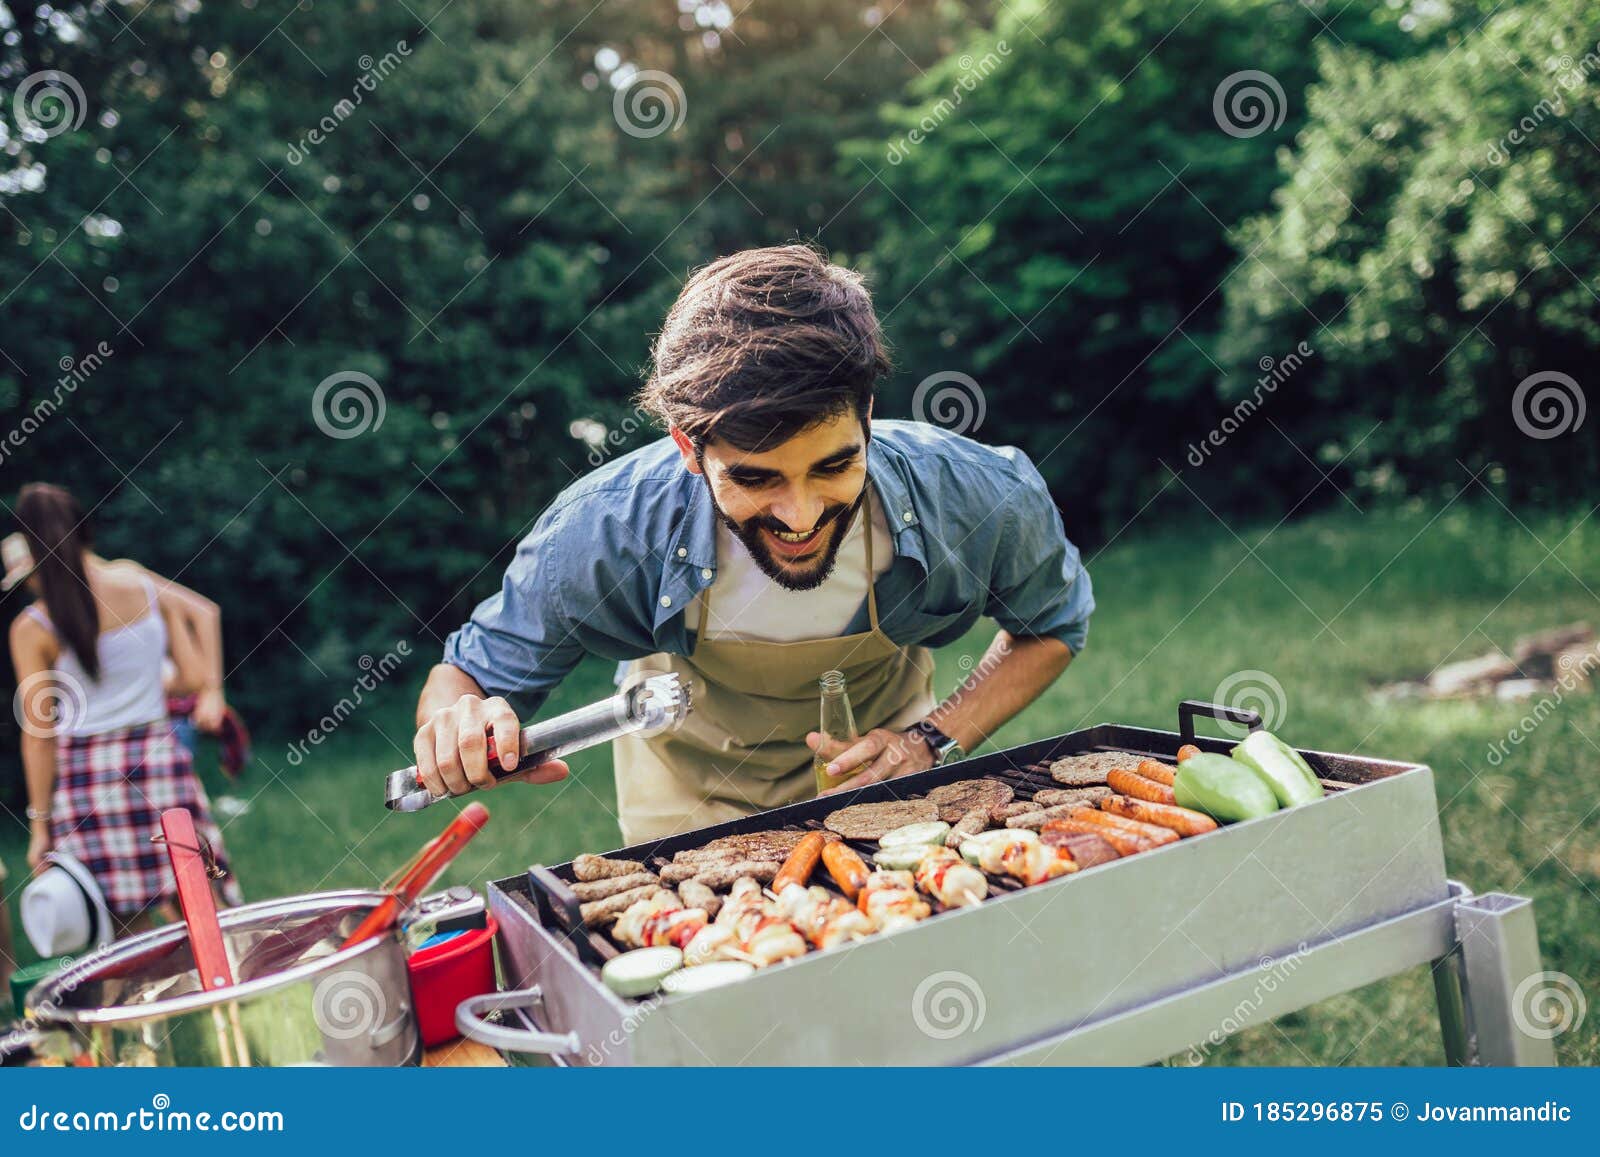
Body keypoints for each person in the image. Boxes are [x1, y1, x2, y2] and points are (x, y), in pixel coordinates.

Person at [414, 243, 1095, 844]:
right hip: (686, 802)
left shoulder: (977, 494)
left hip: (884, 777)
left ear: (865, 415)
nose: (799, 516)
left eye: (832, 466)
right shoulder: (599, 533)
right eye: (755, 478)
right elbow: (469, 676)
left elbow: (1053, 626)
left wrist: (932, 737)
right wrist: (459, 725)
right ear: (688, 445)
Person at [6, 484, 241, 934]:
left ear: (30, 549)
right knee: (192, 881)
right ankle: (226, 980)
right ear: (86, 530)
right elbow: (190, 675)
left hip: (86, 775)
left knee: (115, 910)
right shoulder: (141, 587)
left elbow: (38, 734)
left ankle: (149, 1001)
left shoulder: (32, 626)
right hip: (157, 756)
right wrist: (188, 687)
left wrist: (39, 827)